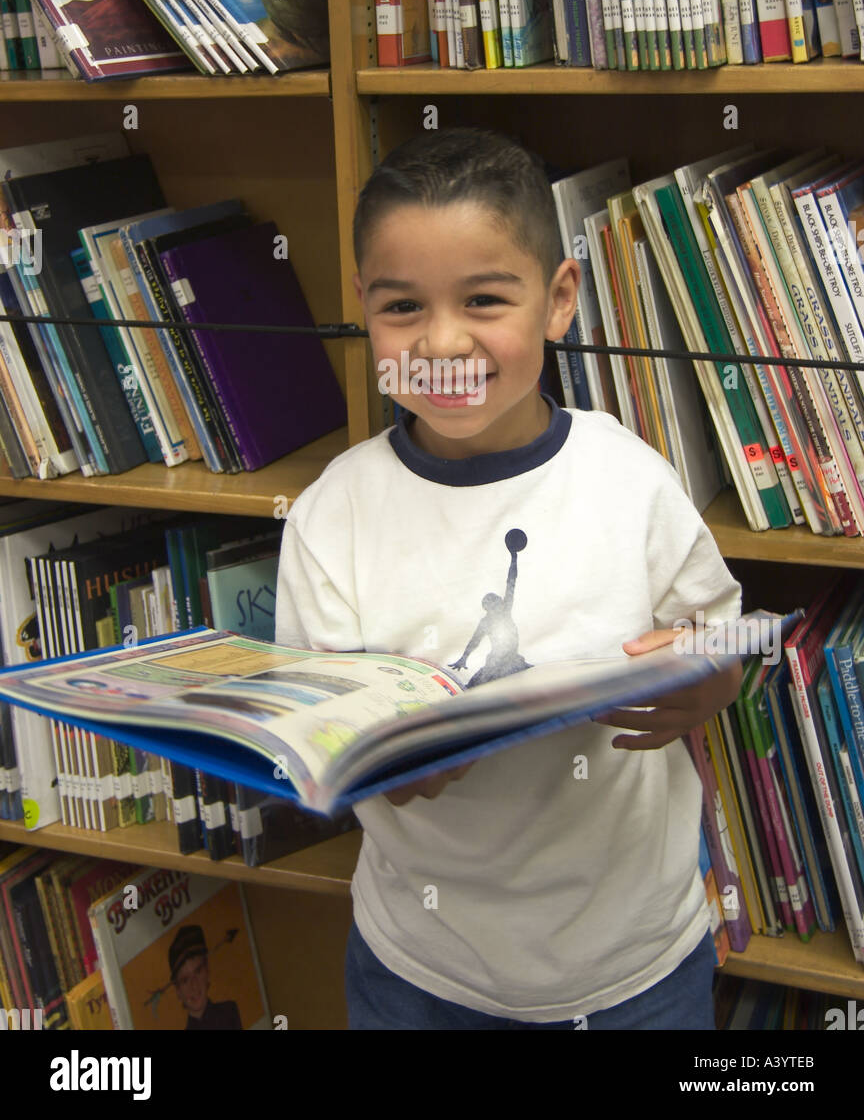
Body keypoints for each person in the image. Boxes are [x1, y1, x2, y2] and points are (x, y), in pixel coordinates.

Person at [274, 127, 742, 1031]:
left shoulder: (627, 475)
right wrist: (363, 767)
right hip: (420, 971)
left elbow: (718, 636)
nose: (443, 340)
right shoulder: (335, 514)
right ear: (364, 304)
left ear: (559, 299)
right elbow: (318, 730)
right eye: (403, 308)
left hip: (636, 964)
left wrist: (709, 678)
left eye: (485, 298)